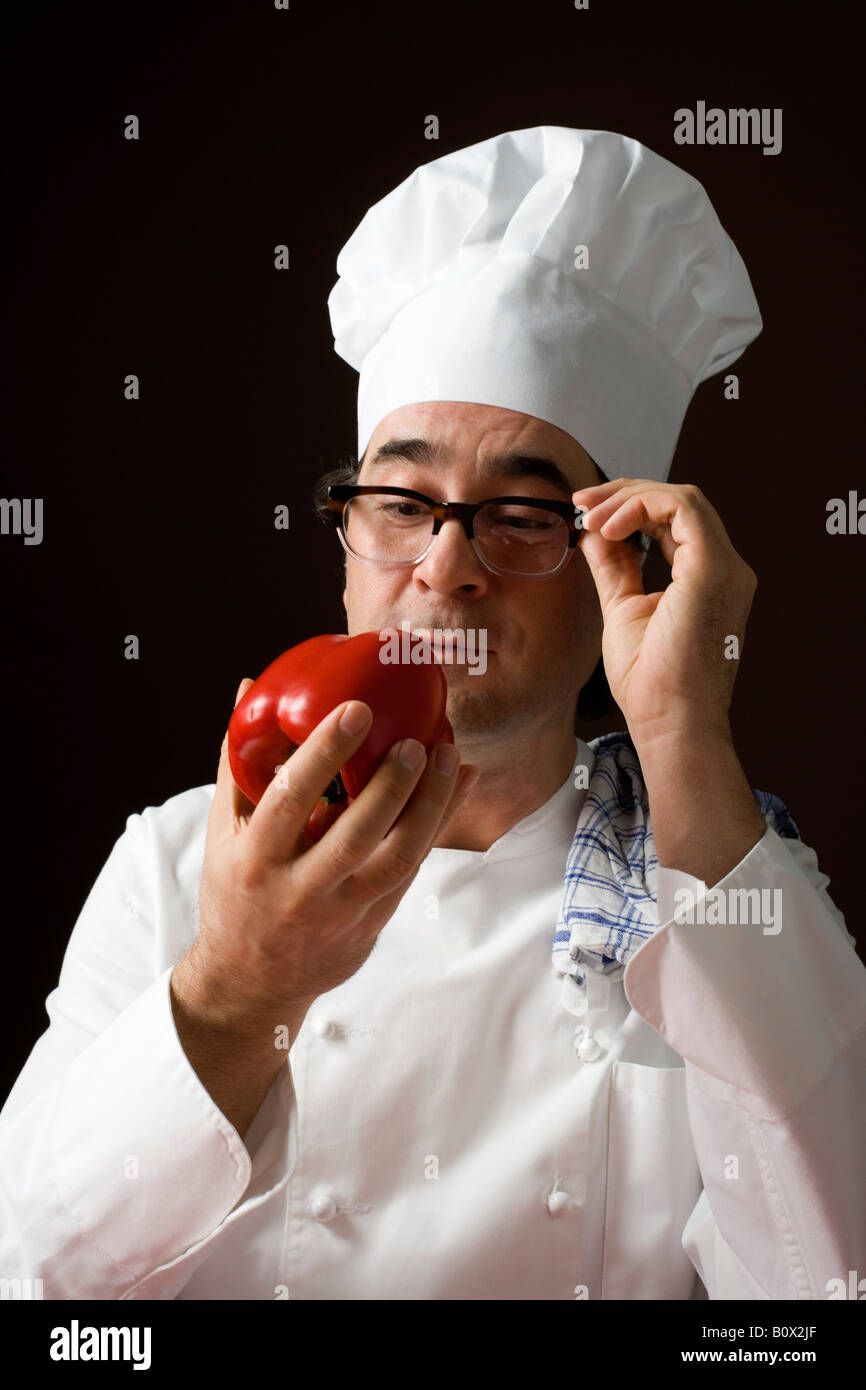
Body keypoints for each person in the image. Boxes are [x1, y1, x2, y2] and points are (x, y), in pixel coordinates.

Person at [0, 127, 863, 1301]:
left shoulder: (713, 896)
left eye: (520, 515)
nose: (446, 568)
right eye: (400, 501)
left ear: (626, 562)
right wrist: (238, 986)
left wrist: (682, 739)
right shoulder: (171, 865)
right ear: (348, 548)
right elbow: (33, 1283)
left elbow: (824, 1293)